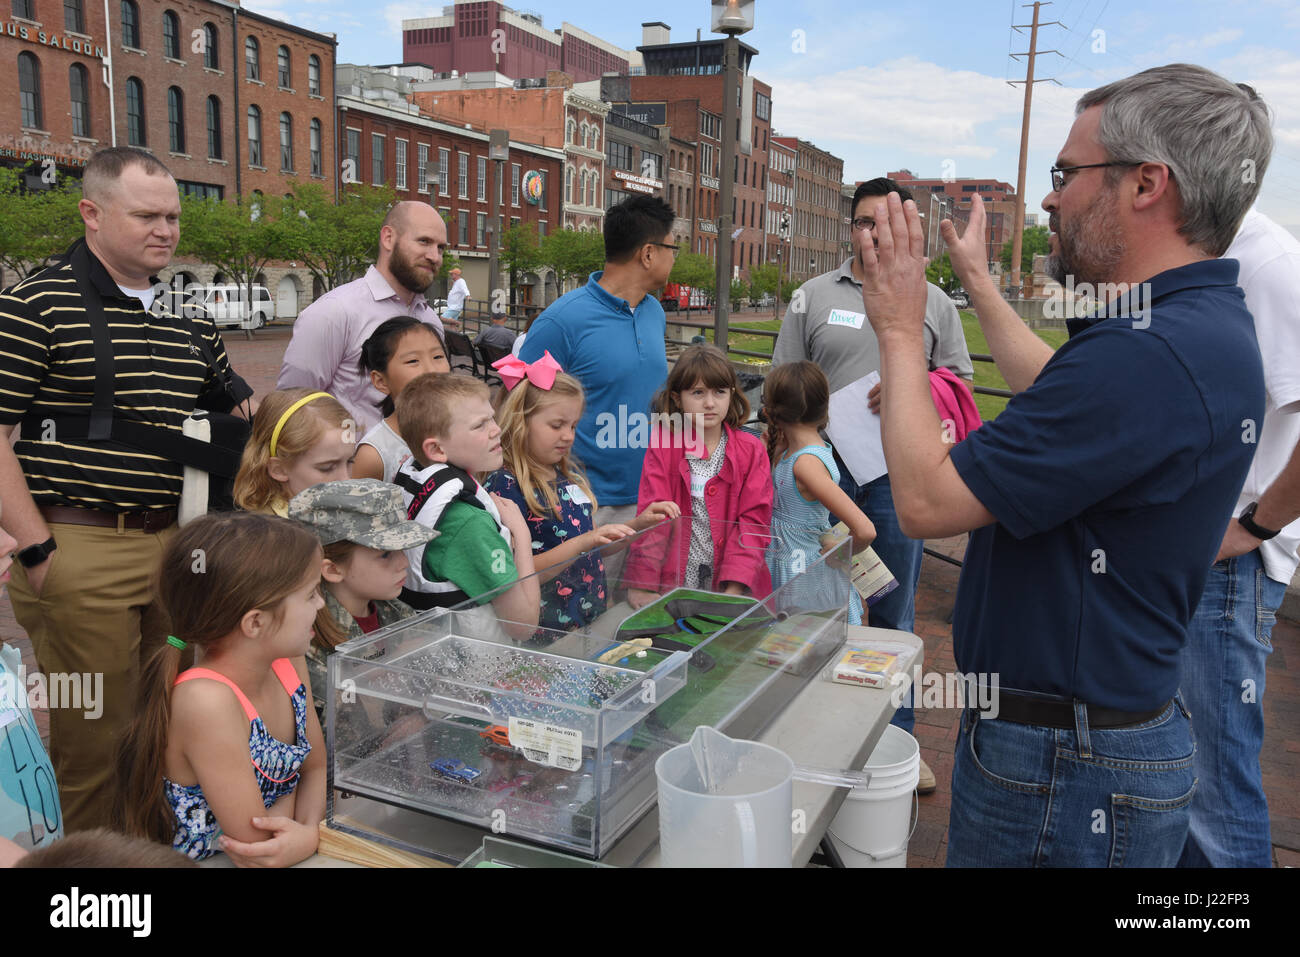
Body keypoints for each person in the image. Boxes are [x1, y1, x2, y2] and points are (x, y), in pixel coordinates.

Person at [858, 64, 1271, 867]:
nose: (1050, 198)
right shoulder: (1195, 326)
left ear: (1148, 182)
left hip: (1060, 766)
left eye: (1067, 173)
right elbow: (1062, 397)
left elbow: (926, 502)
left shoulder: (1146, 356)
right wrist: (975, 278)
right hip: (1100, 739)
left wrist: (903, 328)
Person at [0, 147, 255, 832]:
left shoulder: (189, 311)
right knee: (92, 740)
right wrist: (38, 550)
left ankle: (148, 853)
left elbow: (230, 412)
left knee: (163, 727)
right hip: (78, 547)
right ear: (91, 213)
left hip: (176, 548)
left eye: (173, 216)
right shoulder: (33, 304)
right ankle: (90, 887)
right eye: (147, 215)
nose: (166, 230)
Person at [773, 177, 972, 792]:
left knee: (891, 607)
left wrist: (918, 386)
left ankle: (899, 745)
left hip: (896, 476)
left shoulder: (933, 301)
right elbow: (781, 380)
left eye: (882, 223)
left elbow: (960, 381)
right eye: (862, 221)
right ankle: (819, 736)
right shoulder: (811, 295)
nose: (871, 233)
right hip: (821, 477)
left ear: (904, 229)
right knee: (817, 601)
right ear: (850, 225)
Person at [1179, 203, 1300, 868]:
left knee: (1217, 798)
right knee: (1182, 777)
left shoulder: (1271, 265)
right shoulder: (1207, 253)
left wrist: (1255, 526)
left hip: (1230, 567)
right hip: (1191, 556)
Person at [113, 512, 327, 865]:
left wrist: (306, 833)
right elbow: (255, 850)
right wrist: (305, 834)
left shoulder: (288, 662)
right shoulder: (206, 701)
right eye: (310, 595)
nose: (321, 604)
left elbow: (316, 768)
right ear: (256, 622)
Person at [485, 355, 678, 634]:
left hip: (588, 622)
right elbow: (516, 573)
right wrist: (582, 543)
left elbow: (594, 545)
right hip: (542, 634)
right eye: (556, 425)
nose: (568, 435)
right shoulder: (504, 485)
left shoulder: (566, 478)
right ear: (521, 422)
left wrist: (637, 526)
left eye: (573, 426)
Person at [519, 196, 675, 532]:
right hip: (585, 502)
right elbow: (517, 411)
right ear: (648, 253)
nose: (674, 258)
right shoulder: (561, 322)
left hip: (652, 495)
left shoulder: (654, 313)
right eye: (672, 249)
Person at [277, 202, 448, 435]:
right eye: (424, 242)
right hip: (350, 467)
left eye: (441, 248)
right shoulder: (333, 312)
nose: (434, 256)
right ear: (388, 238)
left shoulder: (430, 320)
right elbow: (290, 408)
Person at [625, 345, 773, 607]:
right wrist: (643, 583)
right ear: (677, 398)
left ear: (732, 394)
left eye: (720, 392)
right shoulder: (663, 447)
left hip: (734, 588)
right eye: (698, 392)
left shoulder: (752, 451)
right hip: (674, 586)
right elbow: (654, 517)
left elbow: (753, 524)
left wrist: (733, 591)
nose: (710, 403)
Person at [393, 374, 540, 631]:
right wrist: (522, 534)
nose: (497, 429)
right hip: (476, 665)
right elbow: (523, 625)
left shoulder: (414, 474)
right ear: (437, 450)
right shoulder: (470, 523)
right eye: (480, 425)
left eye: (492, 417)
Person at [288, 480, 435, 718]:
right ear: (333, 569)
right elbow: (341, 733)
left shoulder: (397, 612)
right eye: (385, 554)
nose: (403, 563)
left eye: (403, 549)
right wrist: (389, 665)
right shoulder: (306, 643)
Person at [762, 361, 874, 624]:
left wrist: (839, 554)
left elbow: (865, 529)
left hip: (800, 575)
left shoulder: (806, 464)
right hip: (788, 566)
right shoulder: (794, 453)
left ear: (773, 410)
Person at [353, 318, 451, 483]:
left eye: (438, 356)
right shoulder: (374, 456)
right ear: (381, 381)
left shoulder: (463, 428)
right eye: (413, 361)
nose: (431, 369)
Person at [233, 389, 355, 516]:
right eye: (327, 468)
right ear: (278, 469)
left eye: (350, 461)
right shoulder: (270, 533)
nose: (346, 479)